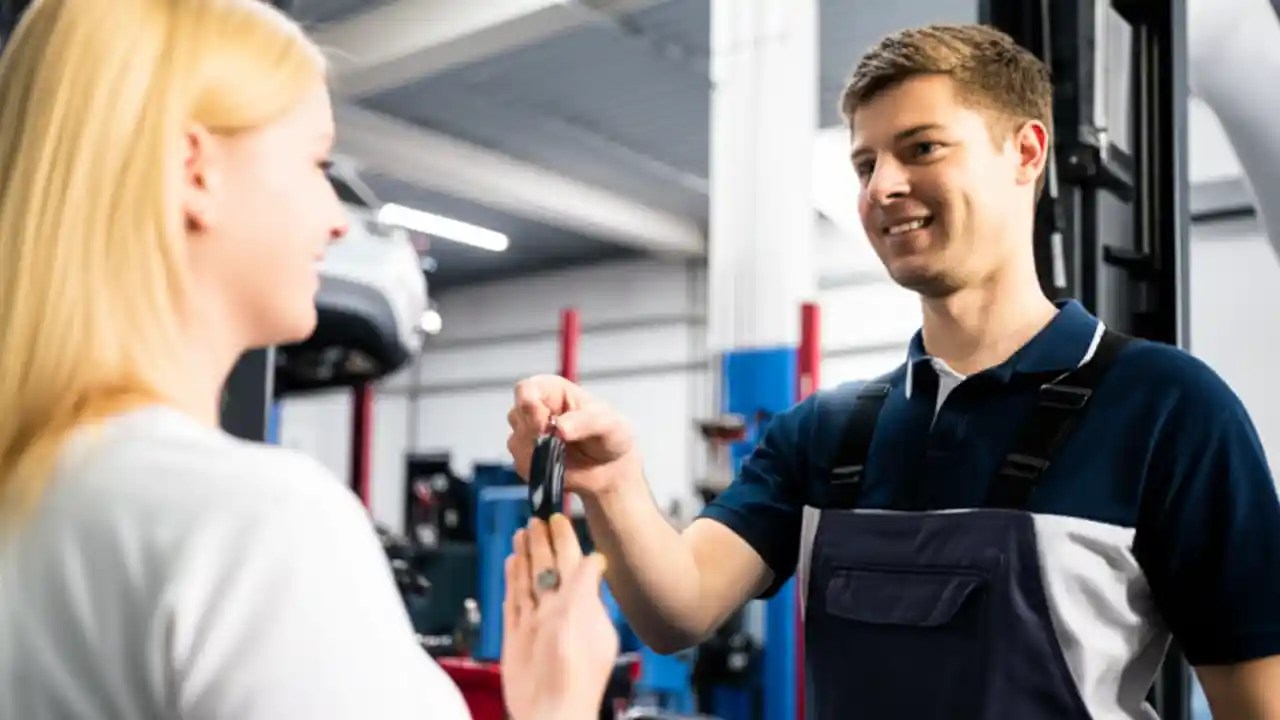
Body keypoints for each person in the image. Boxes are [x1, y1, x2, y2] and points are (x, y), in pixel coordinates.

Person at [507, 23, 1280, 719]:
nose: (881, 188)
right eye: (865, 162)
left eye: (922, 148)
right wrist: (611, 483)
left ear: (1027, 151)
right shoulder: (827, 432)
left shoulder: (1168, 410)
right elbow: (677, 609)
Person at [0, 2, 605, 719]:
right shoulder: (255, 526)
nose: (338, 218)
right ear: (197, 171)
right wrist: (559, 707)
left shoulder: (41, 496)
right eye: (317, 162)